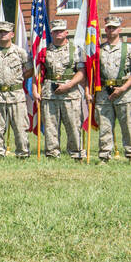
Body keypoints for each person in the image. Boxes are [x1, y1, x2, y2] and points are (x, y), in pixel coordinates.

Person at [0, 20, 33, 159]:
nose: (2, 34)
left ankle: (23, 154)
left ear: (12, 34)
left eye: (5, 32)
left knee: (20, 127)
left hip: (16, 95)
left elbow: (31, 70)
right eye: (0, 32)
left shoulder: (20, 52)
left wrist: (20, 77)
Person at [41, 19, 84, 160]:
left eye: (61, 31)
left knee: (73, 125)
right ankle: (52, 154)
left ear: (66, 32)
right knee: (50, 125)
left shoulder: (76, 49)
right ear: (51, 33)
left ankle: (76, 153)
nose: (58, 33)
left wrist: (69, 85)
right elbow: (39, 72)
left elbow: (81, 72)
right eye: (55, 31)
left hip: (70, 93)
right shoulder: (44, 50)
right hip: (50, 93)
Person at [95, 16, 131, 162]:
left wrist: (122, 88)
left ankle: (129, 154)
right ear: (105, 29)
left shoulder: (128, 48)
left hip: (124, 92)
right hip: (104, 93)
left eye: (114, 28)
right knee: (104, 126)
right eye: (108, 27)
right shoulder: (99, 50)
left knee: (128, 126)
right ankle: (104, 156)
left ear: (120, 30)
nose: (111, 30)